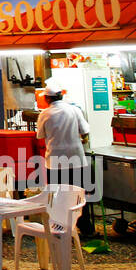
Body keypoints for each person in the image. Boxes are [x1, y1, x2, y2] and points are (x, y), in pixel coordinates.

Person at [36, 78, 94, 234]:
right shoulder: (74, 110)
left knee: (58, 196)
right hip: (77, 159)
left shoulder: (45, 114)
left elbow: (40, 135)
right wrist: (83, 139)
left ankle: (60, 227)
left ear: (47, 98)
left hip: (55, 161)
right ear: (61, 96)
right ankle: (86, 227)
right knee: (80, 194)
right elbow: (85, 131)